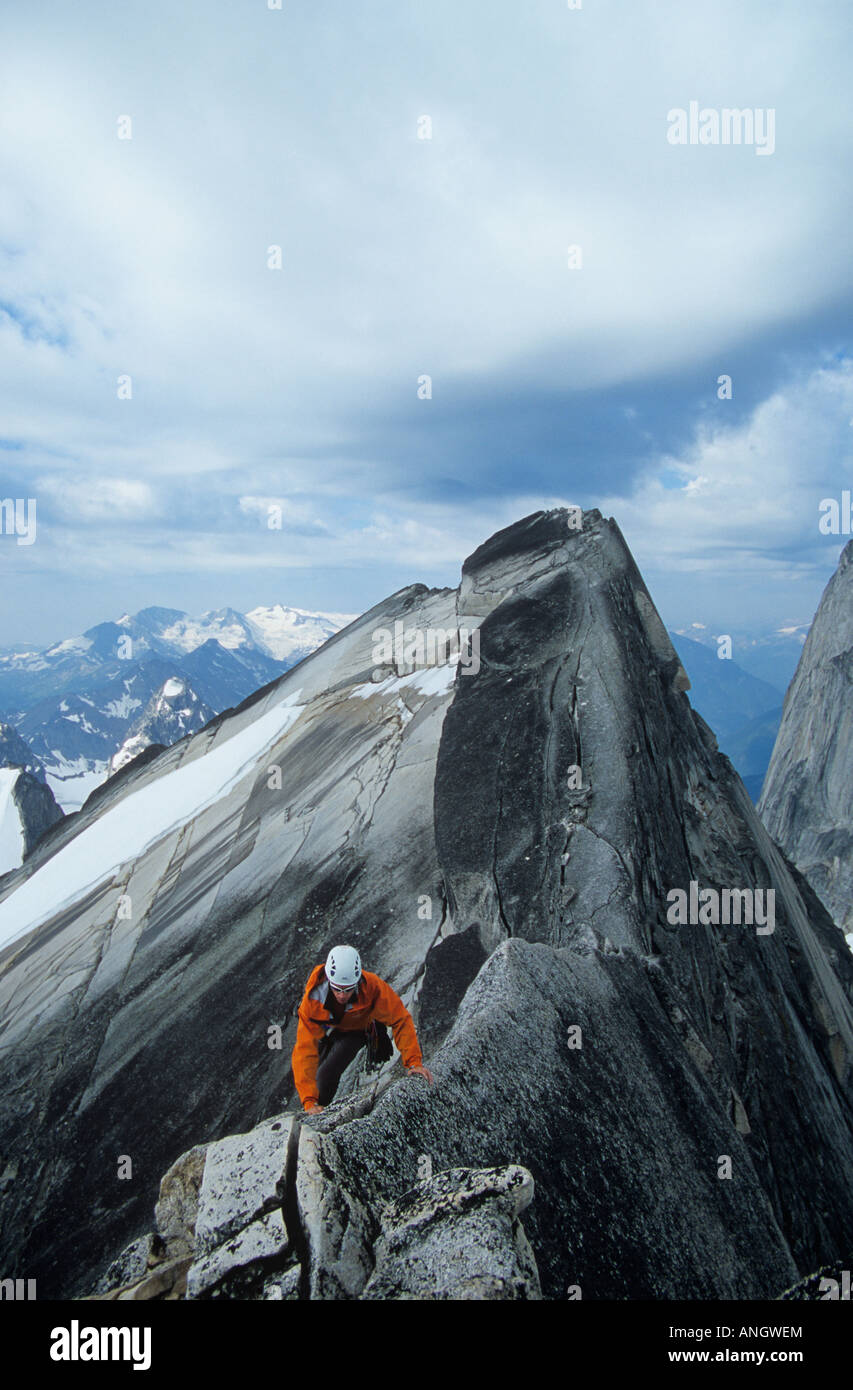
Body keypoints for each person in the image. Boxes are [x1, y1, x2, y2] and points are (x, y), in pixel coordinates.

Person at [292, 945, 433, 1114]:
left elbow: (400, 1019)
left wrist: (413, 1063)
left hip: (357, 1029)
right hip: (327, 1028)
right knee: (314, 1072)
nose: (342, 995)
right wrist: (308, 1101)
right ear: (329, 980)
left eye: (348, 989)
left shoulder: (372, 987)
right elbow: (304, 1049)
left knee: (325, 1076)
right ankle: (312, 1108)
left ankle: (320, 1114)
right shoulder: (313, 998)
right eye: (337, 988)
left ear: (357, 981)